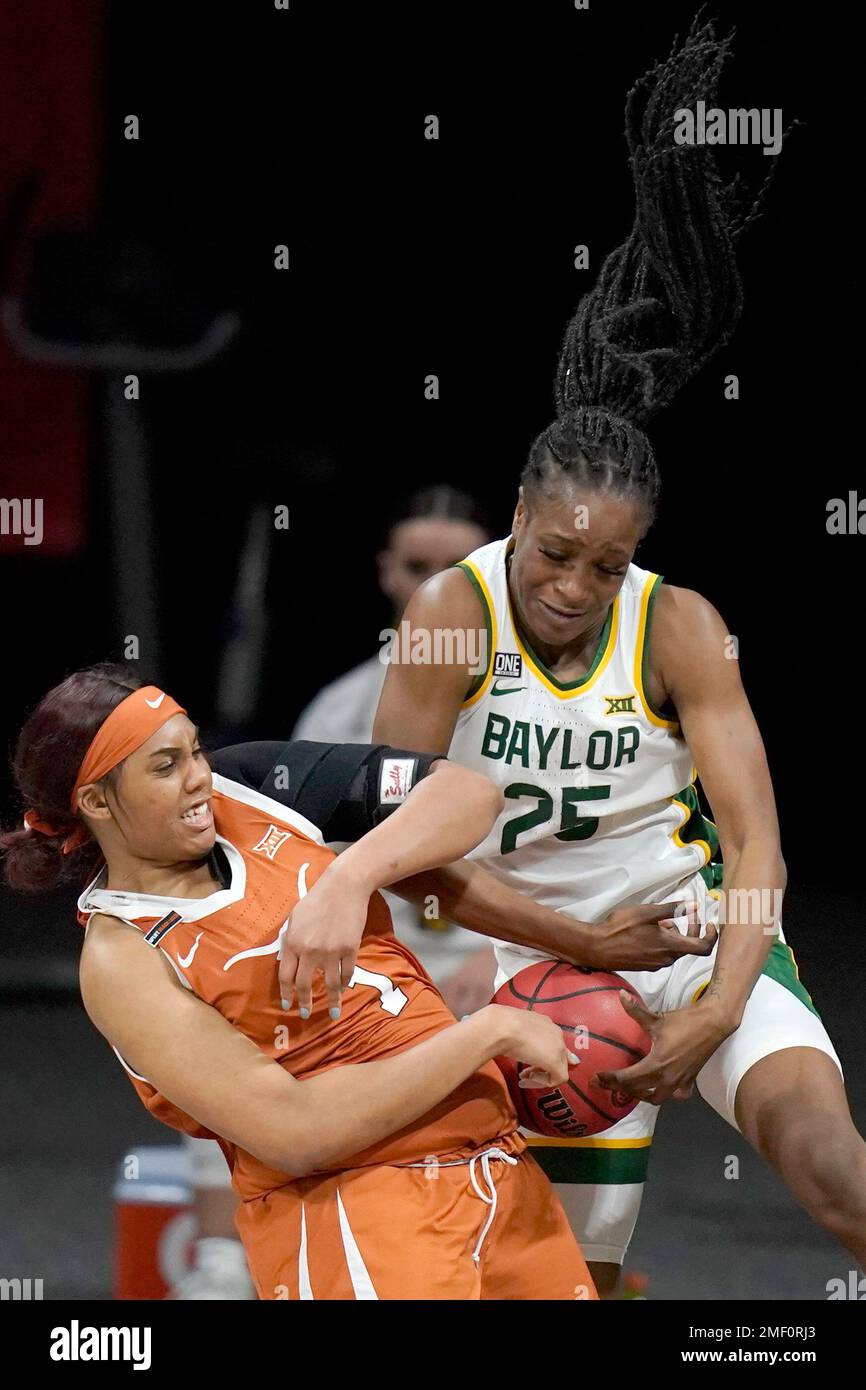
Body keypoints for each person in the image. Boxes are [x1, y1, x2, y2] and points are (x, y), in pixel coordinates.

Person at [289, 17, 866, 1294]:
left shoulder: (679, 623)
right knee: (569, 1283)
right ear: (519, 517)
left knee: (830, 1163)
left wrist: (717, 998)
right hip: (520, 961)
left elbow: (757, 839)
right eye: (553, 553)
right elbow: (407, 848)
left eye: (603, 564)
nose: (571, 584)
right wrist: (571, 947)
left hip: (687, 933)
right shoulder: (452, 610)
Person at [0, 663, 597, 1300]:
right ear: (95, 802)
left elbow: (467, 795)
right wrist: (487, 1033)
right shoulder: (123, 957)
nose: (199, 775)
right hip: (359, 1210)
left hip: (496, 1169)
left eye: (194, 749)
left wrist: (349, 878)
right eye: (165, 766)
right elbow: (297, 1133)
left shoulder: (254, 787)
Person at [293, 485, 497, 1015]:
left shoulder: (550, 707)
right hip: (372, 963)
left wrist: (500, 956)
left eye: (457, 568)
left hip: (515, 961)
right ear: (387, 571)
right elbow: (301, 867)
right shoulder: (335, 713)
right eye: (416, 566)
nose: (434, 587)